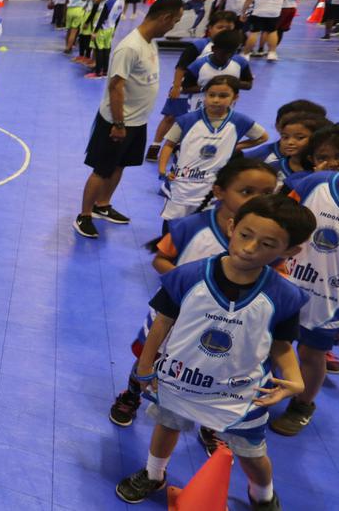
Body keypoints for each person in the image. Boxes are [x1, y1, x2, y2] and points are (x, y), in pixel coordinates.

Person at [115, 194, 315, 510]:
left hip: (241, 393)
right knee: (167, 427)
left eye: (266, 244)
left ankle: (262, 497)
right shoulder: (187, 276)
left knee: (253, 454)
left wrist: (294, 379)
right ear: (232, 226)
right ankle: (154, 474)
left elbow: (281, 346)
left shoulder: (286, 297)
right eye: (246, 235)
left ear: (289, 251)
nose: (249, 248)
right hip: (182, 378)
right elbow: (161, 323)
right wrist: (144, 365)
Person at [108, 158, 279, 431]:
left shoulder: (271, 241)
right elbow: (160, 260)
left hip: (227, 322)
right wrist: (191, 285)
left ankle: (209, 425)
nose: (256, 200)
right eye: (247, 191)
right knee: (148, 357)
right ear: (220, 191)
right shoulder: (191, 226)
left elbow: (274, 280)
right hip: (173, 316)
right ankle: (132, 394)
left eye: (267, 194)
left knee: (215, 370)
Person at [76, 0, 185, 239]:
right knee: (101, 169)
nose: (173, 26)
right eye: (174, 21)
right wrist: (118, 123)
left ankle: (103, 205)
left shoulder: (150, 42)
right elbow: (116, 86)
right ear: (165, 18)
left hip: (138, 120)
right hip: (118, 122)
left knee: (120, 164)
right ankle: (84, 215)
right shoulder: (130, 46)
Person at [270, 127, 339, 438]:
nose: (333, 163)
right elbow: (279, 217)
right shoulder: (313, 184)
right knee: (268, 342)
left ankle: (303, 404)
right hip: (288, 280)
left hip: (329, 298)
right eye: (326, 157)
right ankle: (251, 390)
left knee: (311, 353)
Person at [157, 75, 267, 223]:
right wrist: (163, 169)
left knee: (202, 224)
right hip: (182, 183)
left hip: (212, 186)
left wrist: (237, 146)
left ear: (235, 97)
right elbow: (169, 145)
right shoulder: (187, 120)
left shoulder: (240, 121)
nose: (216, 100)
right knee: (172, 223)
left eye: (223, 96)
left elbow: (262, 137)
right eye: (211, 95)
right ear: (205, 95)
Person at [146, 11, 240, 162]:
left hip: (205, 94)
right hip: (185, 88)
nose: (224, 30)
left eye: (228, 27)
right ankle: (155, 146)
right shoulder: (199, 45)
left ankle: (184, 147)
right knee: (170, 117)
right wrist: (177, 86)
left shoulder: (231, 49)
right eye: (220, 27)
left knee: (197, 120)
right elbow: (181, 67)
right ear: (210, 28)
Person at [240, 101, 330, 185]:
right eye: (285, 137)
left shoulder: (328, 168)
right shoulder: (270, 167)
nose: (290, 142)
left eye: (300, 138)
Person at [178, 29, 253, 112]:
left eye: (231, 53)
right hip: (198, 111)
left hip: (226, 112)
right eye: (223, 53)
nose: (227, 56)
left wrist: (230, 82)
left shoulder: (241, 63)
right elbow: (185, 89)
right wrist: (207, 87)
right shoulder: (197, 65)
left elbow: (249, 85)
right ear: (213, 49)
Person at [87, 0, 126, 80]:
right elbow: (117, 18)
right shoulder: (122, 2)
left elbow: (102, 18)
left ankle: (97, 72)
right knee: (107, 50)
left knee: (99, 50)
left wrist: (95, 32)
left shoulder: (110, 2)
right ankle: (105, 71)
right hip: (111, 28)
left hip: (102, 29)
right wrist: (114, 30)